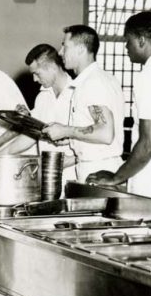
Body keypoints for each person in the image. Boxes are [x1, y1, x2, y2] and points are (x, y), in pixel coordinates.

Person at [87, 12, 151, 200]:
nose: (126, 47)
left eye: (128, 40)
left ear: (141, 40)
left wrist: (117, 177)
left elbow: (149, 143)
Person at [41, 25, 125, 181]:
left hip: (98, 171)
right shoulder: (100, 78)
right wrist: (70, 138)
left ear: (80, 49)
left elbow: (105, 133)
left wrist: (66, 131)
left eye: (65, 47)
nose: (60, 53)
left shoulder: (92, 83)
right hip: (98, 166)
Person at [25, 43, 76, 175]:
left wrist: (68, 161)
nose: (34, 79)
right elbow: (32, 135)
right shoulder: (42, 97)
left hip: (74, 175)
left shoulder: (78, 93)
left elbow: (95, 142)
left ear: (53, 67)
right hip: (47, 175)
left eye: (37, 73)